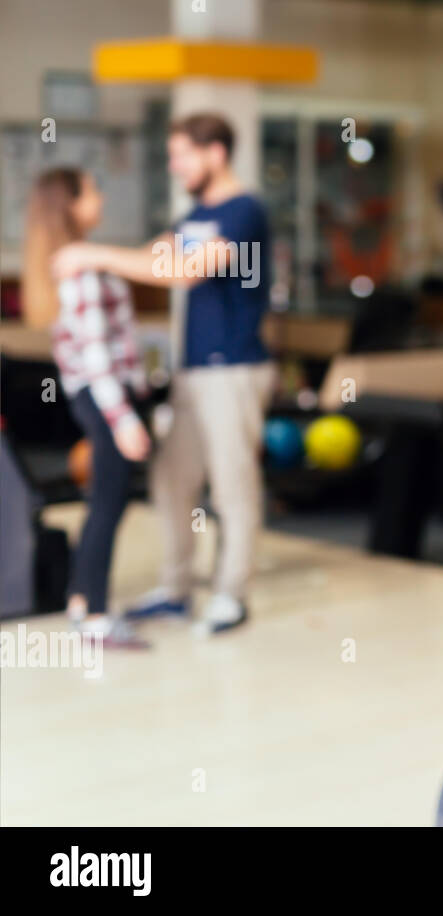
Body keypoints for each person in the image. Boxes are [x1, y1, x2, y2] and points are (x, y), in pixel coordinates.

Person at [52, 113, 275, 637]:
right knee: (171, 481)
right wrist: (99, 257)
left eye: (181, 155)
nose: (174, 166)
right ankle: (176, 590)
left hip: (235, 367)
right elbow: (156, 255)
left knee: (232, 486)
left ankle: (230, 596)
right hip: (193, 370)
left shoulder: (243, 213)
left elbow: (184, 270)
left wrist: (93, 252)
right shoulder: (197, 214)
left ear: (215, 153)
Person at [21, 168, 150, 648]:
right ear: (70, 205)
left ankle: (80, 599)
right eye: (93, 190)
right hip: (104, 397)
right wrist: (123, 420)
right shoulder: (82, 270)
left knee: (102, 502)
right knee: (107, 505)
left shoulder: (72, 261)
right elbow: (97, 356)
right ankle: (96, 616)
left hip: (93, 396)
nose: (100, 197)